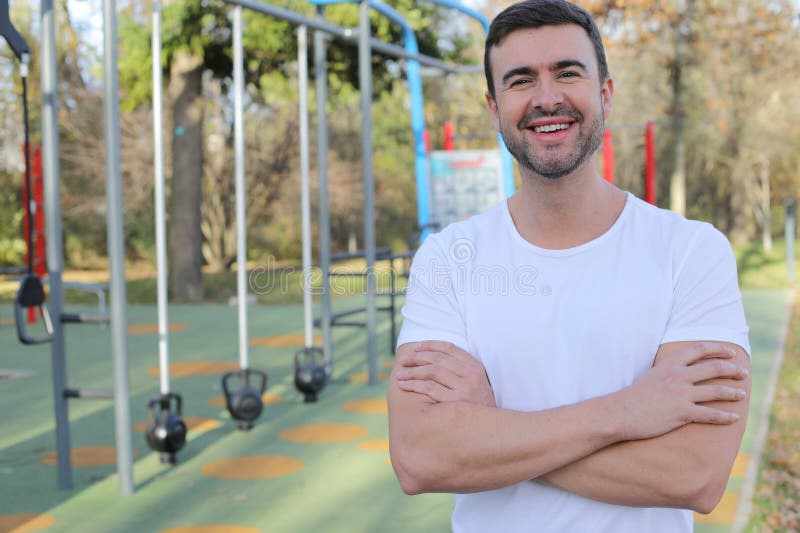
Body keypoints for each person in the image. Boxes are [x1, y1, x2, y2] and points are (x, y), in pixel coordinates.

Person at [386, 1, 752, 532]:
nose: (547, 97)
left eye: (567, 72)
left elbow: (695, 475)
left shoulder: (692, 252)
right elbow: (420, 458)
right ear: (493, 108)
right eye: (520, 80)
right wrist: (628, 412)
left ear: (605, 93)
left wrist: (490, 433)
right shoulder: (447, 259)